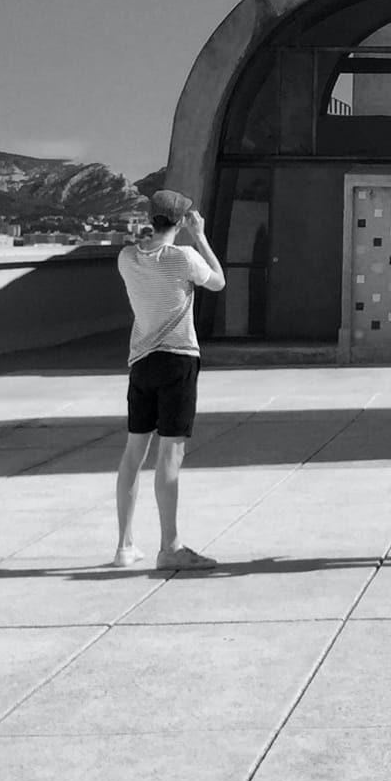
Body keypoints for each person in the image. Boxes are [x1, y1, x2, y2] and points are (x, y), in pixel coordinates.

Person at [112, 188, 226, 571]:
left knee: (133, 453)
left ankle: (125, 545)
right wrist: (202, 237)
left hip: (140, 362)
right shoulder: (184, 257)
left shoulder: (128, 258)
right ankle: (169, 546)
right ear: (179, 221)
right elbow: (218, 282)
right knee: (170, 454)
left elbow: (145, 253)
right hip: (177, 361)